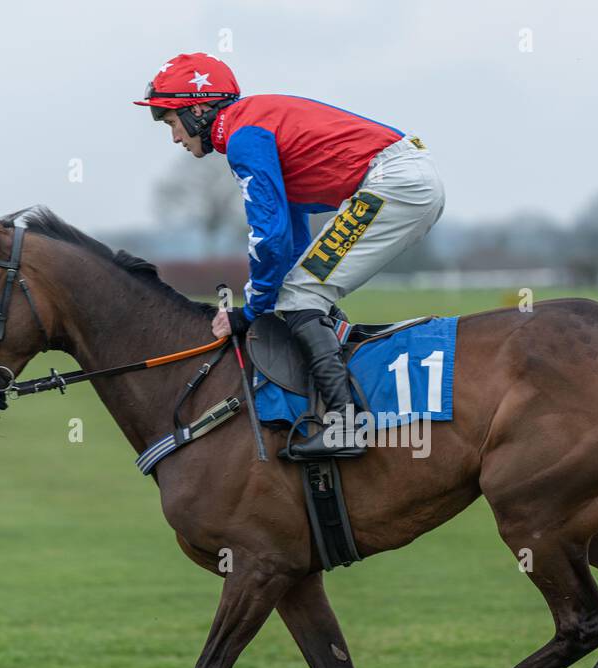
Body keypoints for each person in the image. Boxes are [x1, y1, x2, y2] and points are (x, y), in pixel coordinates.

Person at [135, 52, 445, 459]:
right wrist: (269, 297)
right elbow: (292, 233)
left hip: (396, 185)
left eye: (172, 123)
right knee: (300, 290)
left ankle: (346, 425)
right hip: (403, 180)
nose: (175, 137)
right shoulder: (252, 124)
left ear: (197, 110)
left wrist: (252, 308)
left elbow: (269, 237)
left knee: (300, 295)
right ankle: (335, 393)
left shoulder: (245, 137)